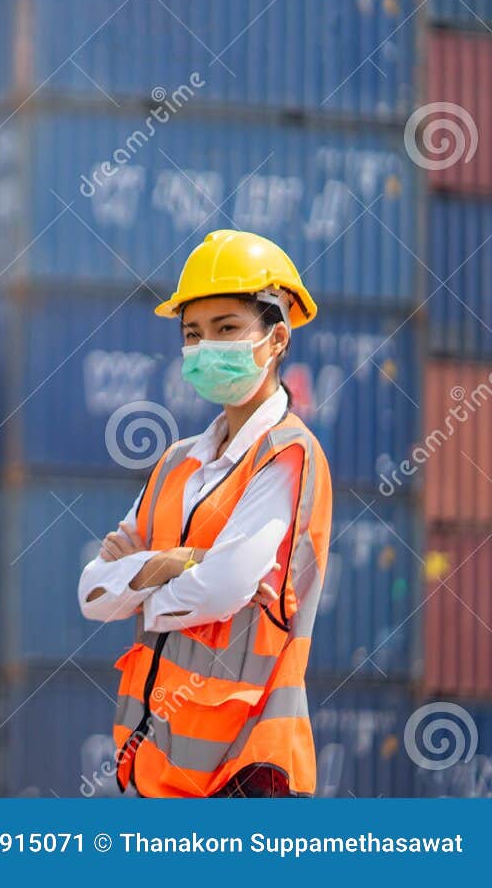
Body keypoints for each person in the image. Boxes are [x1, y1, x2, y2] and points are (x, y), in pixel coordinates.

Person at [79, 230, 333, 798]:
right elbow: (91, 595)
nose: (206, 346)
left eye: (226, 329)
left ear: (277, 339)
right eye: (193, 334)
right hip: (157, 771)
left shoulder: (288, 455)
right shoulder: (174, 464)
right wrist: (171, 563)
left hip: (249, 776)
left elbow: (222, 587)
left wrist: (138, 582)